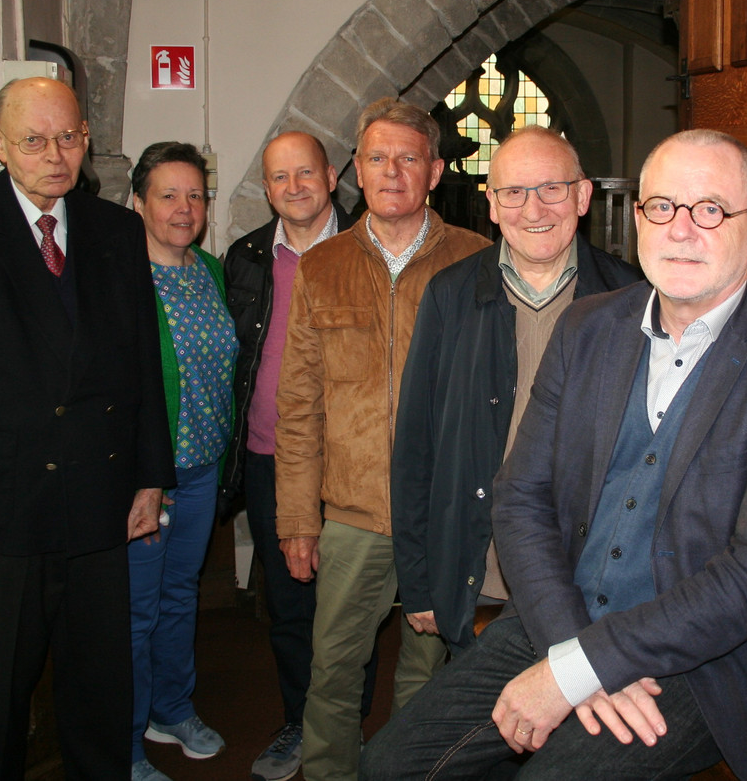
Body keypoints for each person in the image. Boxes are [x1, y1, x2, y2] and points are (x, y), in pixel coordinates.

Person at [360, 129, 747, 781]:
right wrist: (575, 658)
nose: (681, 230)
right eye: (662, 207)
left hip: (702, 662)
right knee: (388, 766)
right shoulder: (587, 326)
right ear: (638, 219)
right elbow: (520, 497)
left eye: (711, 210)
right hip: (562, 614)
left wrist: (580, 670)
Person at [0, 76, 174, 780]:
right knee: (1, 701)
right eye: (34, 140)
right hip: (0, 511)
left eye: (69, 137)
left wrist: (150, 478)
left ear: (86, 139)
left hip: (100, 502)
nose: (55, 155)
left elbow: (142, 365)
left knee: (101, 695)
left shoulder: (115, 231)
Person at [275, 98, 490, 780]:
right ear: (356, 171)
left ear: (434, 171)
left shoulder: (477, 260)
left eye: (408, 158)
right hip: (352, 513)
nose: (392, 171)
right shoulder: (322, 266)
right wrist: (297, 519)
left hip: (443, 514)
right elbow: (299, 405)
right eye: (377, 158)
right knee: (334, 671)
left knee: (430, 678)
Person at [391, 125, 641, 654]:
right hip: (481, 577)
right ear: (492, 205)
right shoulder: (450, 295)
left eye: (552, 188)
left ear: (582, 196)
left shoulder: (632, 299)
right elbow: (416, 446)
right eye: (514, 192)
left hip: (591, 582)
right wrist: (418, 580)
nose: (534, 209)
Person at [221, 131, 357, 781]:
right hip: (269, 457)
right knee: (289, 605)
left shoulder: (370, 247)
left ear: (331, 177)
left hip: (350, 463)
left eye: (306, 173)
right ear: (267, 188)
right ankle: (300, 721)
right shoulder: (245, 257)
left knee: (350, 604)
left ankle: (344, 728)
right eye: (280, 177)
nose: (294, 187)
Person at [127, 142, 237, 781]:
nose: (184, 208)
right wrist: (140, 473)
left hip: (201, 470)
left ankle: (170, 709)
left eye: (195, 195)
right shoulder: (121, 278)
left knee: (179, 598)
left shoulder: (210, 270)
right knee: (135, 613)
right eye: (167, 195)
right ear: (137, 202)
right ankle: (124, 745)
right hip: (148, 477)